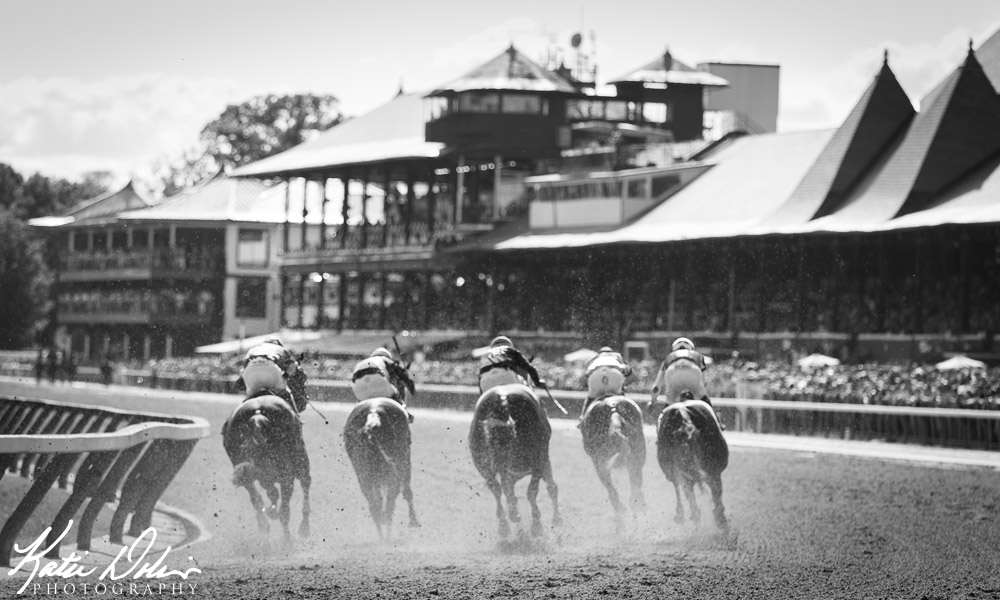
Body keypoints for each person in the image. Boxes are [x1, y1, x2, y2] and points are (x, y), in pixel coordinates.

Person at [651, 337, 724, 428]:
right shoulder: (697, 356)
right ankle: (717, 425)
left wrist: (653, 401)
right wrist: (700, 395)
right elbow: (703, 382)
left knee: (667, 410)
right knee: (705, 402)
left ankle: (662, 430)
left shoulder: (668, 358)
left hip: (672, 373)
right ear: (691, 349)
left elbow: (656, 387)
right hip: (693, 372)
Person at [240, 336, 309, 413]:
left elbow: (242, 370)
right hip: (271, 369)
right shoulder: (282, 350)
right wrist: (285, 376)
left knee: (248, 400)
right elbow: (293, 366)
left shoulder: (253, 349)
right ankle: (295, 417)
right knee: (286, 393)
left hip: (250, 371)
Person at [351, 347, 415, 423]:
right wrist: (407, 380)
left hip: (359, 388)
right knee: (395, 396)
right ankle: (406, 416)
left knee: (360, 408)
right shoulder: (385, 360)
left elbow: (354, 380)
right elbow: (402, 380)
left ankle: (355, 422)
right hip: (379, 383)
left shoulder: (363, 362)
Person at [578, 346, 632, 422]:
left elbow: (585, 376)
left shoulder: (595, 358)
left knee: (590, 398)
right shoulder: (617, 356)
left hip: (596, 372)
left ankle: (583, 418)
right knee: (620, 399)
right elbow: (628, 371)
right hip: (615, 371)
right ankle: (628, 418)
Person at [478, 335, 544, 392]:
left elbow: (480, 378)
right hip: (507, 377)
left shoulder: (486, 355)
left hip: (485, 382)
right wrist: (538, 383)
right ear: (510, 345)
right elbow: (530, 368)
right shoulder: (511, 350)